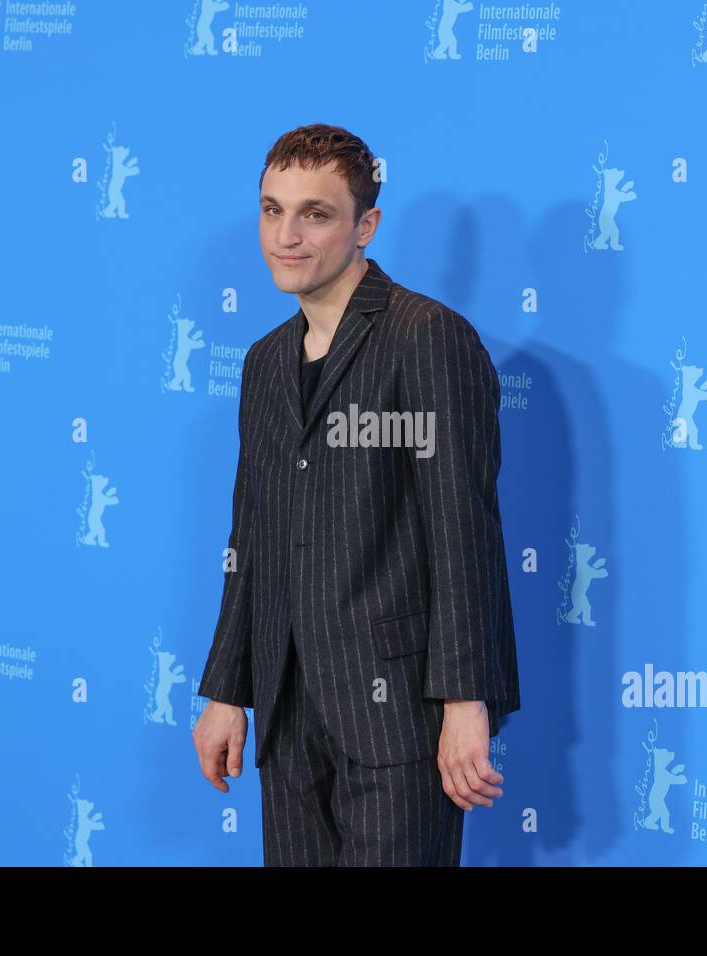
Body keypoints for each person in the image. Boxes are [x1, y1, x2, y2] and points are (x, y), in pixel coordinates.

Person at [192, 123, 520, 866]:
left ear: (366, 224)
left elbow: (462, 530)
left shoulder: (427, 337)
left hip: (399, 714)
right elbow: (252, 535)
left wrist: (467, 704)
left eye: (316, 213)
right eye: (273, 210)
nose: (286, 235)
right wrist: (226, 690)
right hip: (287, 710)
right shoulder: (264, 363)